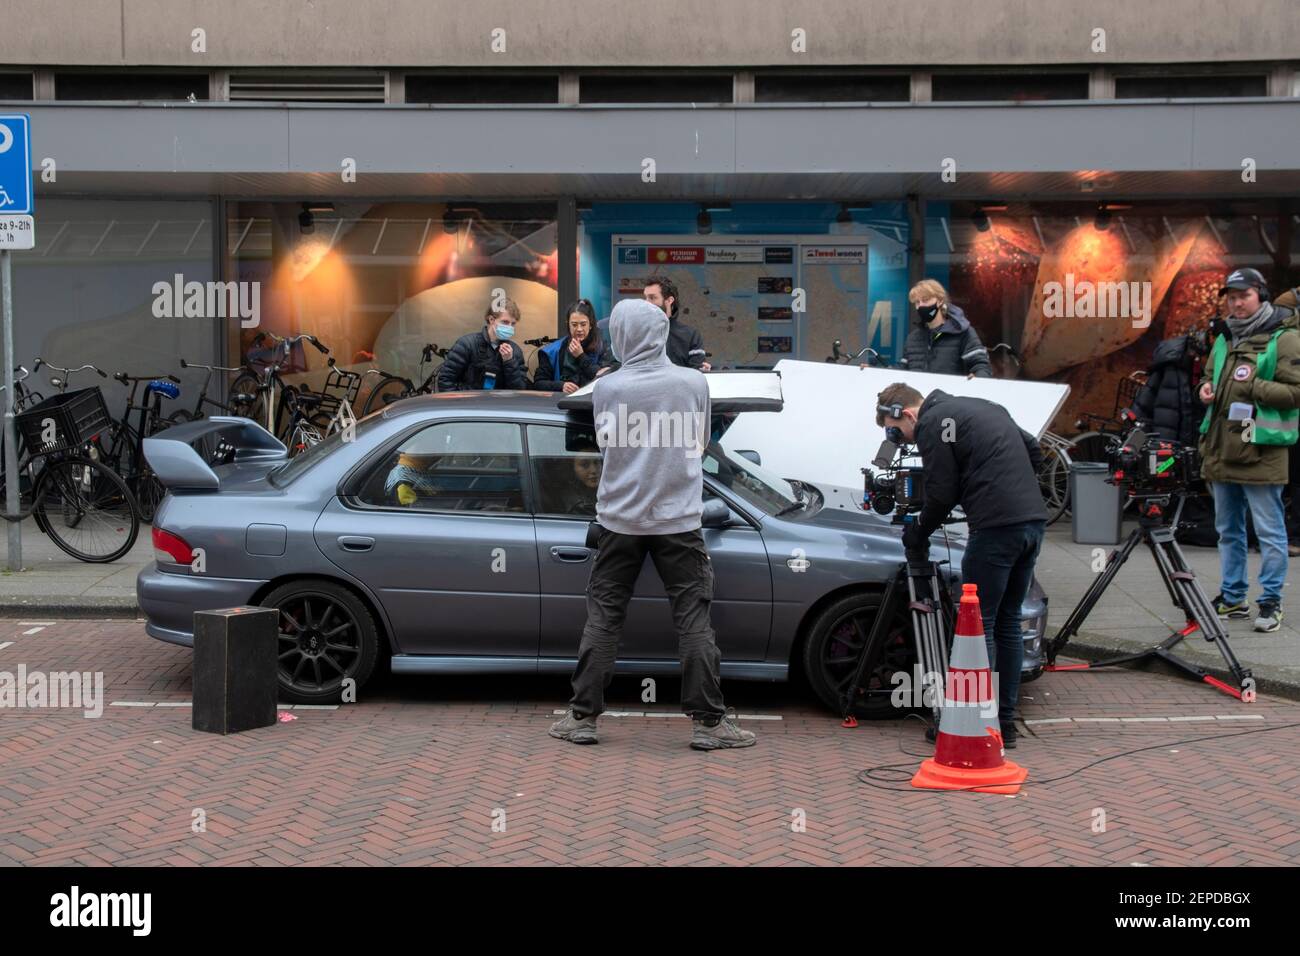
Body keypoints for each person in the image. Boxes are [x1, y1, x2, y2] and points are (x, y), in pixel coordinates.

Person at [549, 298, 754, 751]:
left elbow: (605, 444)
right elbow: (701, 443)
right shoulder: (692, 383)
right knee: (693, 619)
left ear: (621, 336)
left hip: (619, 519)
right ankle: (708, 723)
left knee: (603, 618)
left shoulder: (607, 388)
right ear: (661, 332)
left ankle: (582, 717)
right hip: (678, 520)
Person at [876, 382, 1047, 748]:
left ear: (906, 414)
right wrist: (1009, 489)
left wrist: (918, 534)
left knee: (976, 624)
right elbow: (1034, 450)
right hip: (1031, 522)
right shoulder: (981, 405)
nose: (906, 442)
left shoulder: (932, 422)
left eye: (901, 433)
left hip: (996, 528)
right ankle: (1005, 723)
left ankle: (972, 722)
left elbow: (940, 492)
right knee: (1007, 621)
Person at [1197, 267, 1300, 632]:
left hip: (1261, 450)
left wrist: (1254, 386)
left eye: (1244, 295)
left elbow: (1295, 392)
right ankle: (1233, 597)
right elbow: (1211, 376)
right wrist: (1206, 389)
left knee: (1270, 532)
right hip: (1224, 449)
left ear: (1261, 295)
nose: (1236, 302)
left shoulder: (1283, 338)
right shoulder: (1224, 337)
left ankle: (1270, 602)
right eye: (1232, 296)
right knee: (1228, 530)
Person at [597, 275, 710, 375]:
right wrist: (610, 369)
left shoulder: (690, 335)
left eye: (652, 297)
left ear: (669, 300)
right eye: (645, 297)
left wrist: (700, 371)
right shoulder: (635, 330)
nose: (647, 303)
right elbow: (618, 362)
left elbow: (696, 372)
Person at [900, 279, 992, 378]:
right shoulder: (913, 338)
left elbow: (982, 367)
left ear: (940, 301)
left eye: (926, 300)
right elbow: (903, 372)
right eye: (917, 302)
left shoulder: (963, 332)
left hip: (953, 392)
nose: (921, 305)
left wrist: (976, 379)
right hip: (919, 393)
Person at [436, 297, 529, 392]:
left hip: (499, 405)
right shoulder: (467, 344)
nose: (509, 327)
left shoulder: (515, 351)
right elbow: (445, 380)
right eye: (505, 322)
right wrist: (459, 404)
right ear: (491, 319)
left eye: (513, 324)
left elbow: (520, 390)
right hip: (468, 404)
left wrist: (509, 361)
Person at [533, 299, 607, 394]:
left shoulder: (602, 348)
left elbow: (605, 380)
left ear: (591, 325)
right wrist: (561, 386)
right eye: (574, 325)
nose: (579, 329)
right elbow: (538, 383)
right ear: (568, 325)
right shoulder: (553, 350)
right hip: (561, 403)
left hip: (592, 403)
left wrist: (581, 356)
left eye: (583, 324)